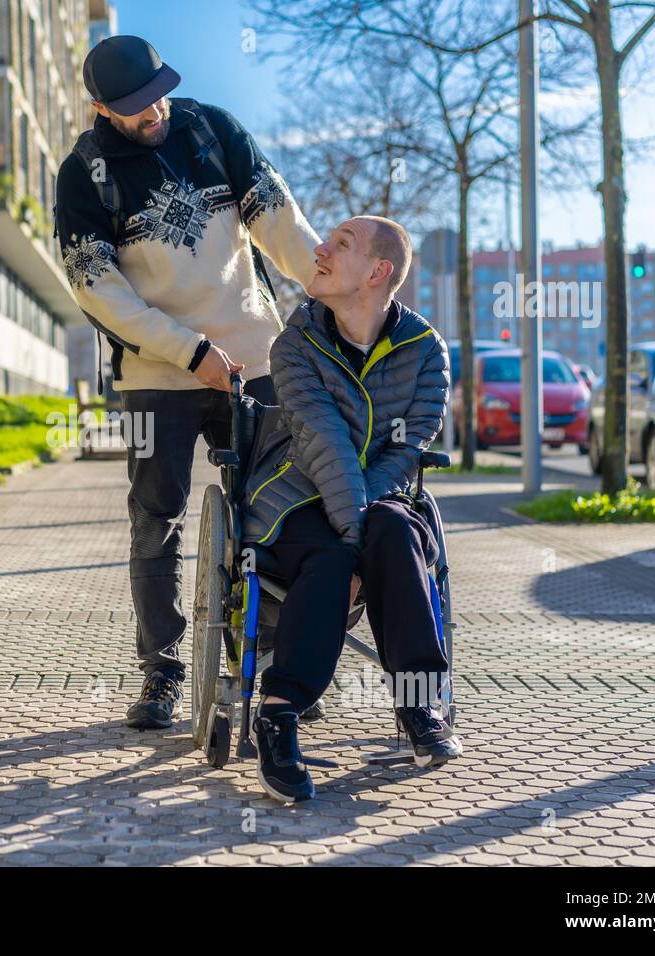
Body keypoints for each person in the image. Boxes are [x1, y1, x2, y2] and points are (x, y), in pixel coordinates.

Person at [54, 35, 321, 729]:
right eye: (135, 109)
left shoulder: (214, 129)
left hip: (255, 361)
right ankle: (163, 673)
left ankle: (276, 669)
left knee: (282, 508)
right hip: (155, 372)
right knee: (155, 522)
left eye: (157, 96)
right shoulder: (84, 175)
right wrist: (186, 349)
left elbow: (282, 226)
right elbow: (98, 291)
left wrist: (332, 284)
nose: (153, 114)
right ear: (101, 109)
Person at [242, 215, 462, 803]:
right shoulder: (294, 345)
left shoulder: (426, 352)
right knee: (333, 554)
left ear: (377, 272)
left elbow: (408, 446)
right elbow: (321, 442)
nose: (320, 249)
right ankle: (280, 714)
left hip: (385, 495)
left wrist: (365, 524)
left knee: (396, 532)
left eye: (340, 244)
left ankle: (419, 706)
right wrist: (352, 533)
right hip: (296, 495)